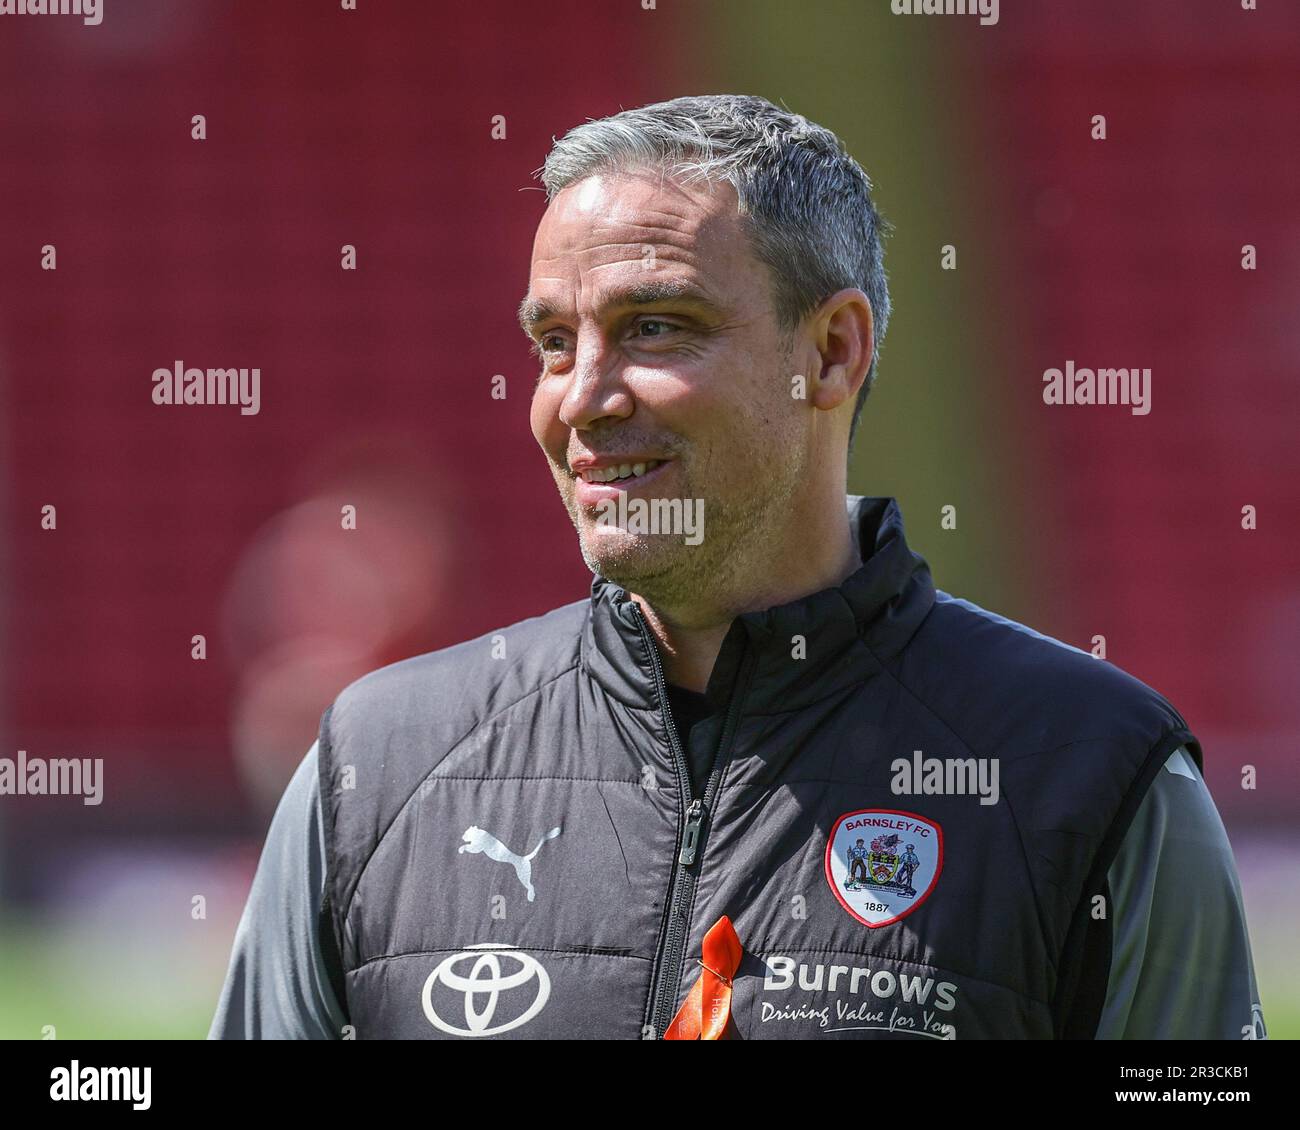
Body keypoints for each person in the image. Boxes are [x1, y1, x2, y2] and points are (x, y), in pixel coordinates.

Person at [210, 94, 1266, 1041]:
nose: (582, 398)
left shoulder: (1091, 771)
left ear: (832, 352)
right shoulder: (379, 765)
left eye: (653, 326)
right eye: (553, 343)